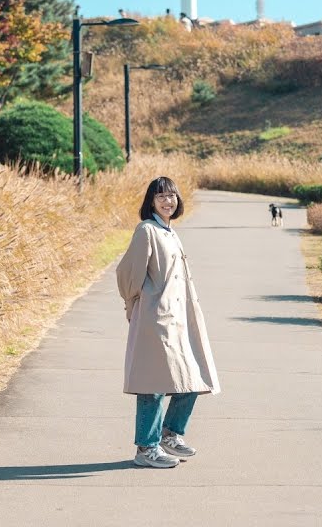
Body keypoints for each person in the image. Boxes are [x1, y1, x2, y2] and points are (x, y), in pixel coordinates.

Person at [115, 177, 220, 468]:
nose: (167, 201)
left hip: (179, 319)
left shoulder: (170, 232)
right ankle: (146, 448)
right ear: (151, 201)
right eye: (161, 196)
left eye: (172, 196)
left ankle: (170, 433)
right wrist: (134, 303)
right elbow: (127, 273)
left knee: (193, 377)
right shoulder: (146, 230)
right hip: (155, 319)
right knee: (153, 384)